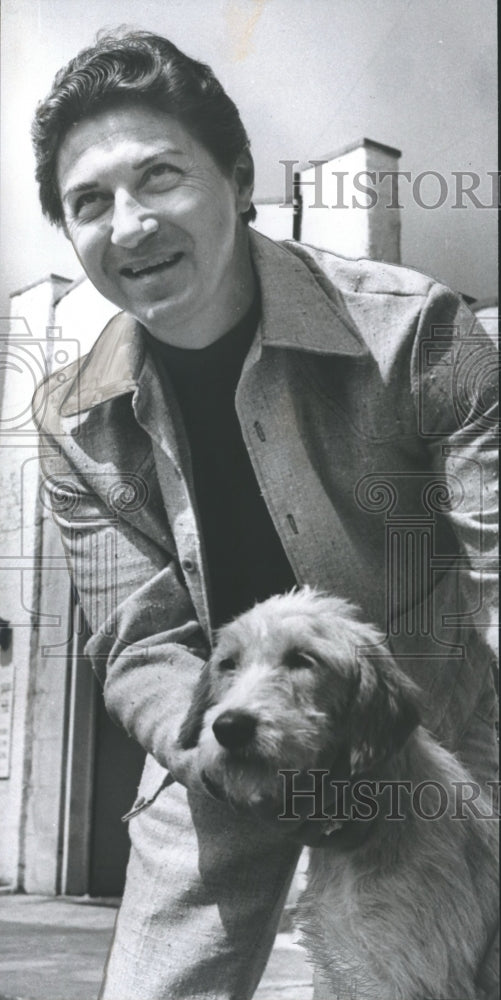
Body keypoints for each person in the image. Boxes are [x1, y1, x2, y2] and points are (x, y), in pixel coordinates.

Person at [31, 29, 498, 1000]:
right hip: (222, 741)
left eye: (160, 177)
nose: (128, 225)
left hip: (421, 735)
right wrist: (207, 747)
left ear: (239, 180)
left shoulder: (419, 335)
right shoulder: (71, 415)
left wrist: (421, 767)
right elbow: (140, 642)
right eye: (89, 203)